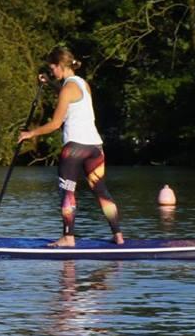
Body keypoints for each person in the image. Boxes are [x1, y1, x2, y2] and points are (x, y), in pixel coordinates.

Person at [18, 45, 124, 247]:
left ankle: (68, 237)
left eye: (52, 69)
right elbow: (69, 95)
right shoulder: (84, 84)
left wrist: (30, 133)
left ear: (59, 65)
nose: (52, 72)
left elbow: (56, 124)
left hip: (75, 148)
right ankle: (118, 235)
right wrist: (49, 83)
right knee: (101, 191)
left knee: (67, 192)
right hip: (95, 148)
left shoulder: (67, 88)